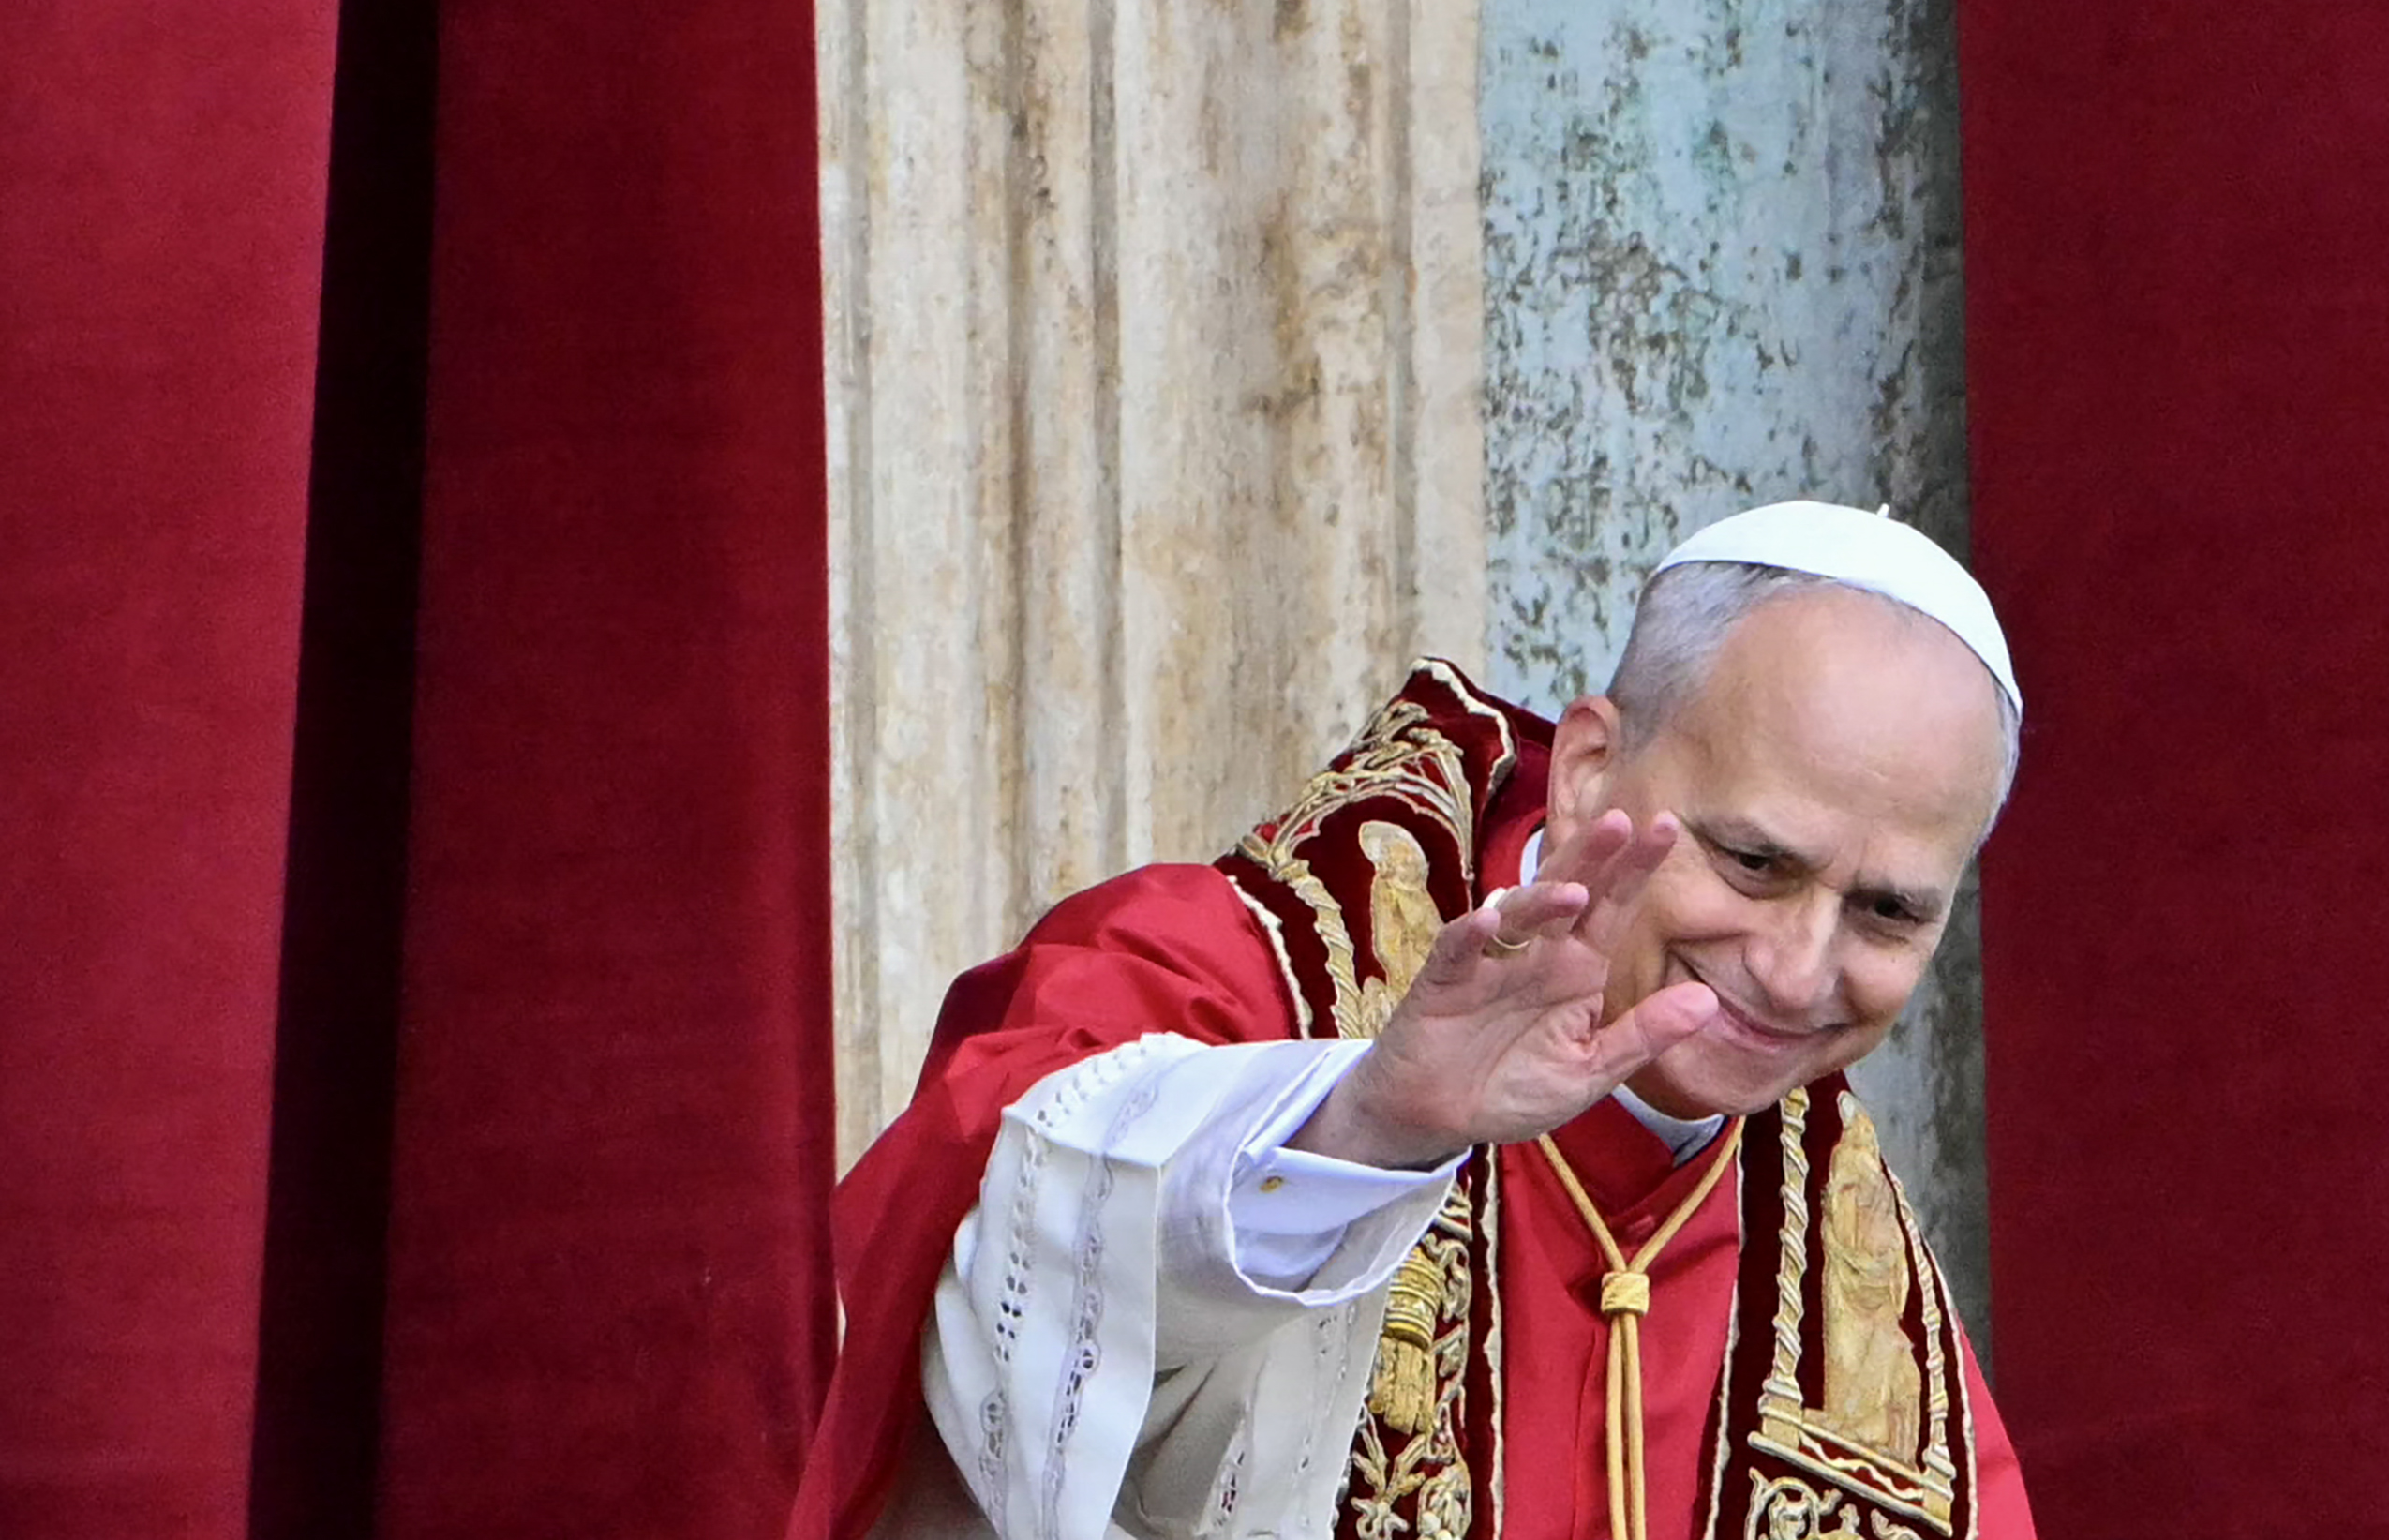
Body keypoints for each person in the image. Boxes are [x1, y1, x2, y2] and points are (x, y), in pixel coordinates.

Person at [789, 501, 2040, 1540]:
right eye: (1754, 862)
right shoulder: (1234, 964)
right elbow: (1005, 1286)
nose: (1794, 967)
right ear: (1594, 764)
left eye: (1884, 914)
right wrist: (1363, 1127)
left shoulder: (1862, 1300)